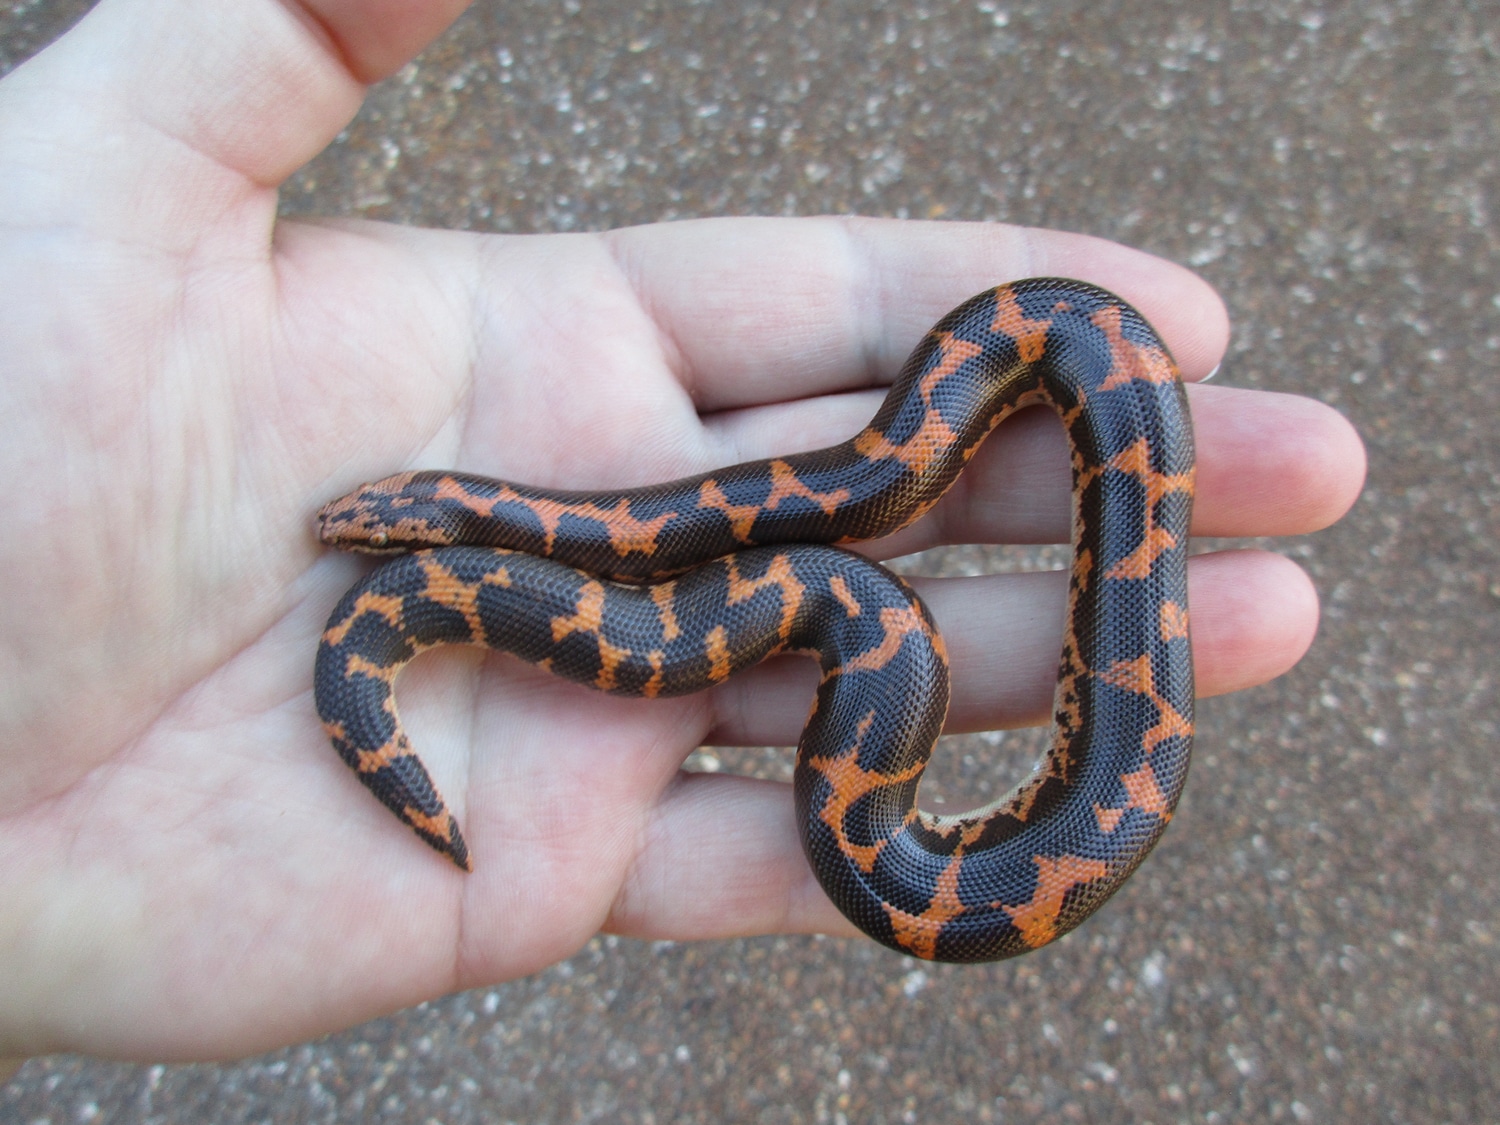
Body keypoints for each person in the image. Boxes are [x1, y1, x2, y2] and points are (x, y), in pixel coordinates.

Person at [0, 0, 1365, 1073]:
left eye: (381, 520)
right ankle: (410, 642)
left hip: (1036, 407)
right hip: (935, 525)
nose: (353, 527)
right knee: (837, 572)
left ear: (442, 503)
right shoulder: (841, 571)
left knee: (842, 551)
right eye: (377, 528)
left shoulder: (1011, 403)